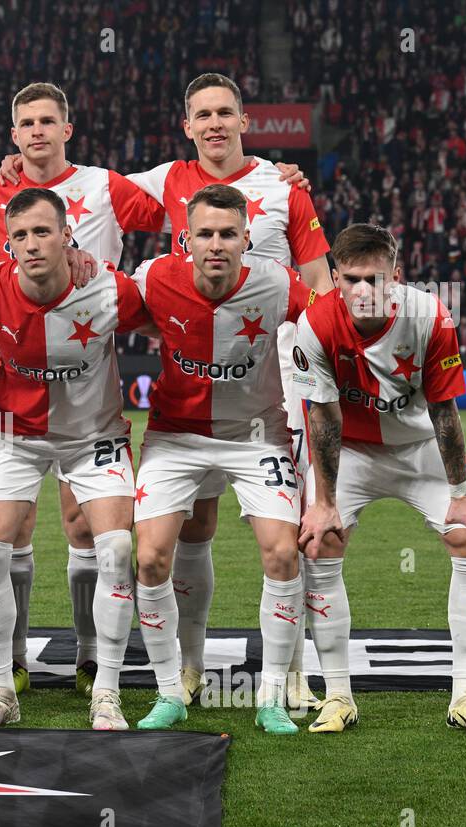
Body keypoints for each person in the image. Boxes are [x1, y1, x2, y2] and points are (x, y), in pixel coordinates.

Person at [0, 81, 166, 695]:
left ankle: (92, 658)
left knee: (81, 526)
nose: (38, 131)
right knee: (8, 530)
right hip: (10, 382)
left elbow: (184, 207)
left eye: (49, 121)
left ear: (67, 129)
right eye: (27, 123)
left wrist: (269, 176)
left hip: (87, 387)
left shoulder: (104, 186)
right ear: (13, 135)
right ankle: (8, 662)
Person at [126, 73, 333, 709]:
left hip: (271, 392)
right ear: (186, 126)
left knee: (293, 538)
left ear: (244, 121)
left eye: (225, 113)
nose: (214, 124)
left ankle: (291, 672)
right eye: (202, 115)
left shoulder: (283, 187)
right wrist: (16, 166)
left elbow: (320, 286)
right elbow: (73, 194)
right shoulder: (163, 180)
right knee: (194, 530)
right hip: (187, 394)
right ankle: (187, 667)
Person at [0, 188, 151, 730]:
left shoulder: (109, 289)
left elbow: (178, 305)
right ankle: (1, 688)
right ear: (8, 244)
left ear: (68, 235)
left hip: (93, 438)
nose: (31, 244)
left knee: (117, 548)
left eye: (43, 231)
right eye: (20, 235)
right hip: (12, 439)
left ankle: (107, 691)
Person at [295, 223, 466, 734]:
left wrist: (459, 495)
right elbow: (322, 418)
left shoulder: (430, 314)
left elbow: (445, 411)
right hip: (351, 451)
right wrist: (324, 502)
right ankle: (338, 695)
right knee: (320, 543)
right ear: (335, 278)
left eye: (375, 279)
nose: (364, 292)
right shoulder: (315, 324)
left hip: (419, 449)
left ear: (397, 277)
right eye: (352, 280)